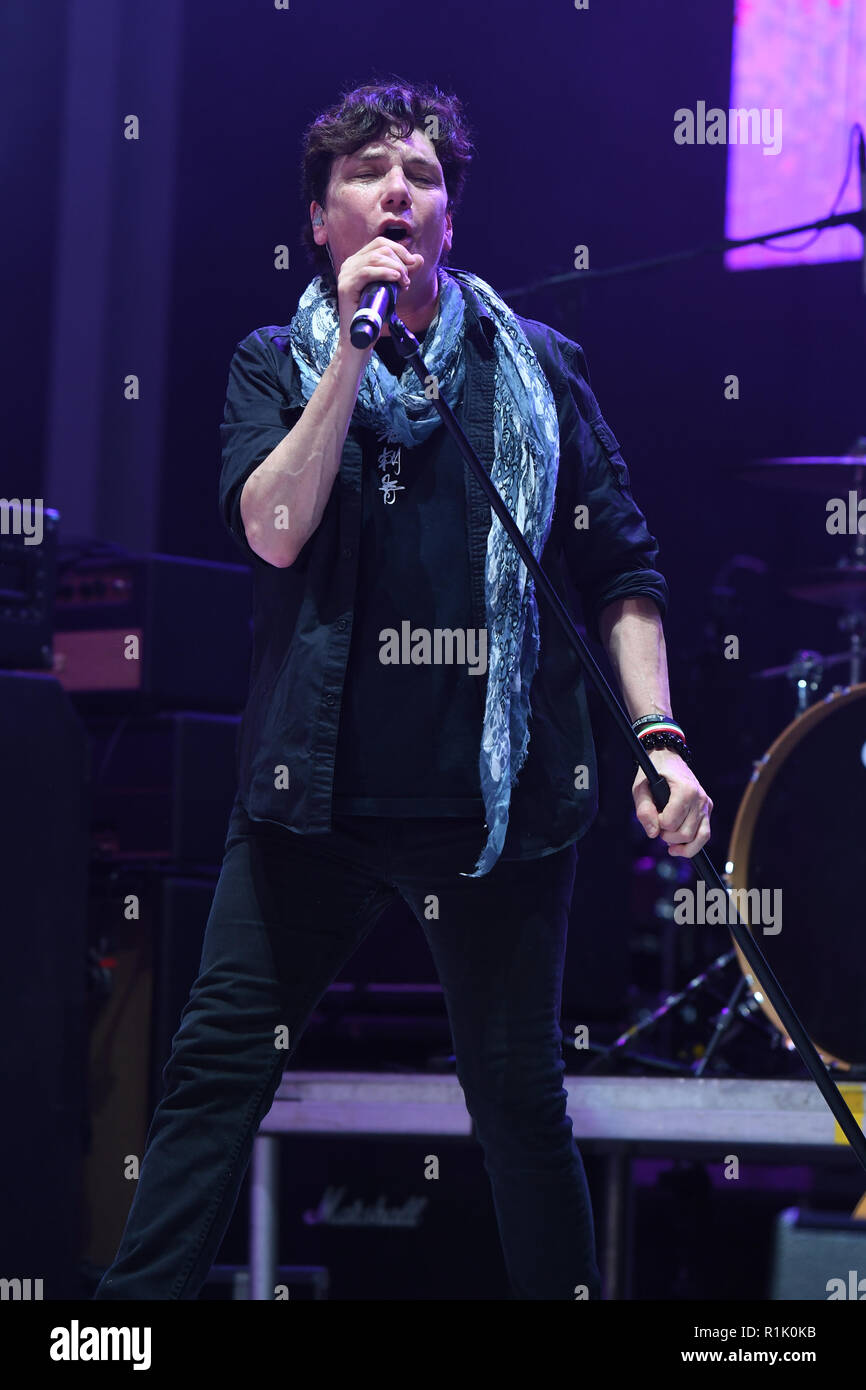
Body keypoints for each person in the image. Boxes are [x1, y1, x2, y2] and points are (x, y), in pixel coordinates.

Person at [94, 78, 712, 1302]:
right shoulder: (273, 363)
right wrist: (351, 349)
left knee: (519, 1104)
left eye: (421, 175)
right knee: (216, 1075)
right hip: (311, 804)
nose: (398, 190)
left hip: (493, 812)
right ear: (321, 219)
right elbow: (273, 530)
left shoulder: (539, 372)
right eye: (369, 174)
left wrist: (658, 735)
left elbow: (621, 568)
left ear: (449, 213)